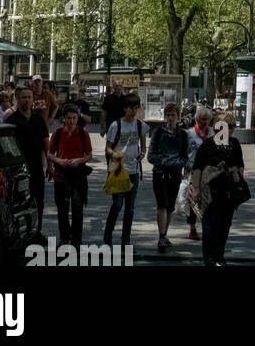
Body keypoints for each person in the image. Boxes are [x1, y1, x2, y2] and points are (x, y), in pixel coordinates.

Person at [191, 110, 245, 267]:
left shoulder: (235, 144)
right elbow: (197, 168)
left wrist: (238, 185)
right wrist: (196, 190)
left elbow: (240, 165)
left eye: (232, 127)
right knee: (209, 228)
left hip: (228, 193)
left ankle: (219, 256)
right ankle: (209, 259)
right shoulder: (208, 145)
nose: (230, 130)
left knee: (224, 227)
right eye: (227, 126)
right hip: (210, 193)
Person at [103, 95, 148, 246]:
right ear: (125, 108)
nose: (134, 111)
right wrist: (115, 154)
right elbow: (108, 148)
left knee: (130, 208)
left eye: (136, 108)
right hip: (118, 170)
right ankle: (107, 237)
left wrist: (142, 154)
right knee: (117, 205)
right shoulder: (116, 125)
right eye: (131, 108)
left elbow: (143, 146)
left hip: (134, 171)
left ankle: (125, 240)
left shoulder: (141, 126)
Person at [47, 101, 94, 248]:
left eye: (74, 118)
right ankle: (64, 237)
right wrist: (59, 161)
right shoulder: (58, 133)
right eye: (69, 118)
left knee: (77, 209)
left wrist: (79, 160)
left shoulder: (83, 134)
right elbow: (49, 154)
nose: (72, 121)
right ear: (64, 119)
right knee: (62, 209)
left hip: (78, 176)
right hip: (61, 176)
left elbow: (89, 155)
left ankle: (76, 240)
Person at [9, 85, 51, 233]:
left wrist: (50, 165)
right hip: (18, 170)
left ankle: (37, 232)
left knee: (39, 201)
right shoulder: (11, 120)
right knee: (19, 203)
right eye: (23, 97)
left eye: (29, 97)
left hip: (36, 167)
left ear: (33, 99)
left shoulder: (38, 119)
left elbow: (46, 142)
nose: (26, 100)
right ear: (18, 99)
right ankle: (20, 233)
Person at [148, 101, 188, 252]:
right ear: (165, 117)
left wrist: (175, 163)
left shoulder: (183, 135)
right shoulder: (158, 133)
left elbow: (185, 157)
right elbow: (151, 156)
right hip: (160, 174)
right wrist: (166, 161)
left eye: (173, 115)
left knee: (170, 206)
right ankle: (161, 236)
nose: (170, 118)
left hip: (175, 174)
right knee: (162, 204)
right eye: (168, 115)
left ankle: (165, 234)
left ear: (178, 117)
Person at [184, 105, 214, 241]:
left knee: (208, 200)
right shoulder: (189, 134)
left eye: (207, 119)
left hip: (209, 173)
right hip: (192, 171)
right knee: (193, 201)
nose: (204, 122)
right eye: (201, 119)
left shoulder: (213, 134)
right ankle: (192, 228)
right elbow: (185, 153)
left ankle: (207, 228)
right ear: (196, 119)